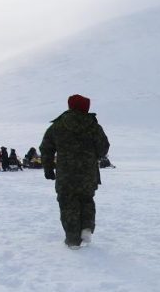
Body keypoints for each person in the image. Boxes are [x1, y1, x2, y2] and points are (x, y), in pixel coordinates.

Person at [40, 94, 110, 249]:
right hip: (88, 174)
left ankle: (72, 240)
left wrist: (48, 167)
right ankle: (86, 228)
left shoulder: (57, 126)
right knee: (86, 200)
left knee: (67, 203)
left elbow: (46, 147)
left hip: (66, 174)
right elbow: (104, 148)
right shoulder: (94, 126)